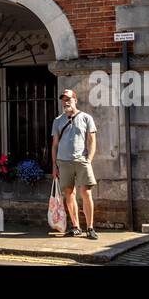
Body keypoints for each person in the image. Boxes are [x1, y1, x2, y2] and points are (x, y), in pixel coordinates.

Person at [51, 89, 98, 239]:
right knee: (69, 194)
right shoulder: (58, 121)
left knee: (86, 192)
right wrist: (54, 166)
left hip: (82, 161)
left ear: (75, 100)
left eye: (69, 99)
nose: (66, 102)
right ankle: (76, 227)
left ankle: (90, 228)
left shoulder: (86, 118)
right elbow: (55, 145)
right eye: (64, 100)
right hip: (63, 162)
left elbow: (92, 140)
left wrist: (89, 159)